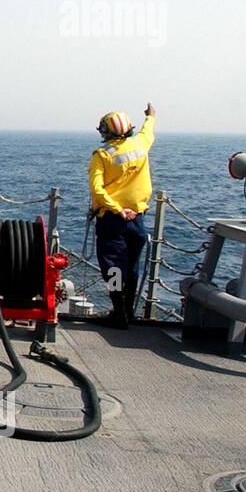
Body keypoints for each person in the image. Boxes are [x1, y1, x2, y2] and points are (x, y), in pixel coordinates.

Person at [88, 103, 157, 329]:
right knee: (131, 266)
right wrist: (150, 116)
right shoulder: (140, 144)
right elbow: (148, 131)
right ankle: (129, 311)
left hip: (113, 221)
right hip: (137, 220)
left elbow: (98, 189)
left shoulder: (102, 156)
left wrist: (117, 209)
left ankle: (118, 312)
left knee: (114, 268)